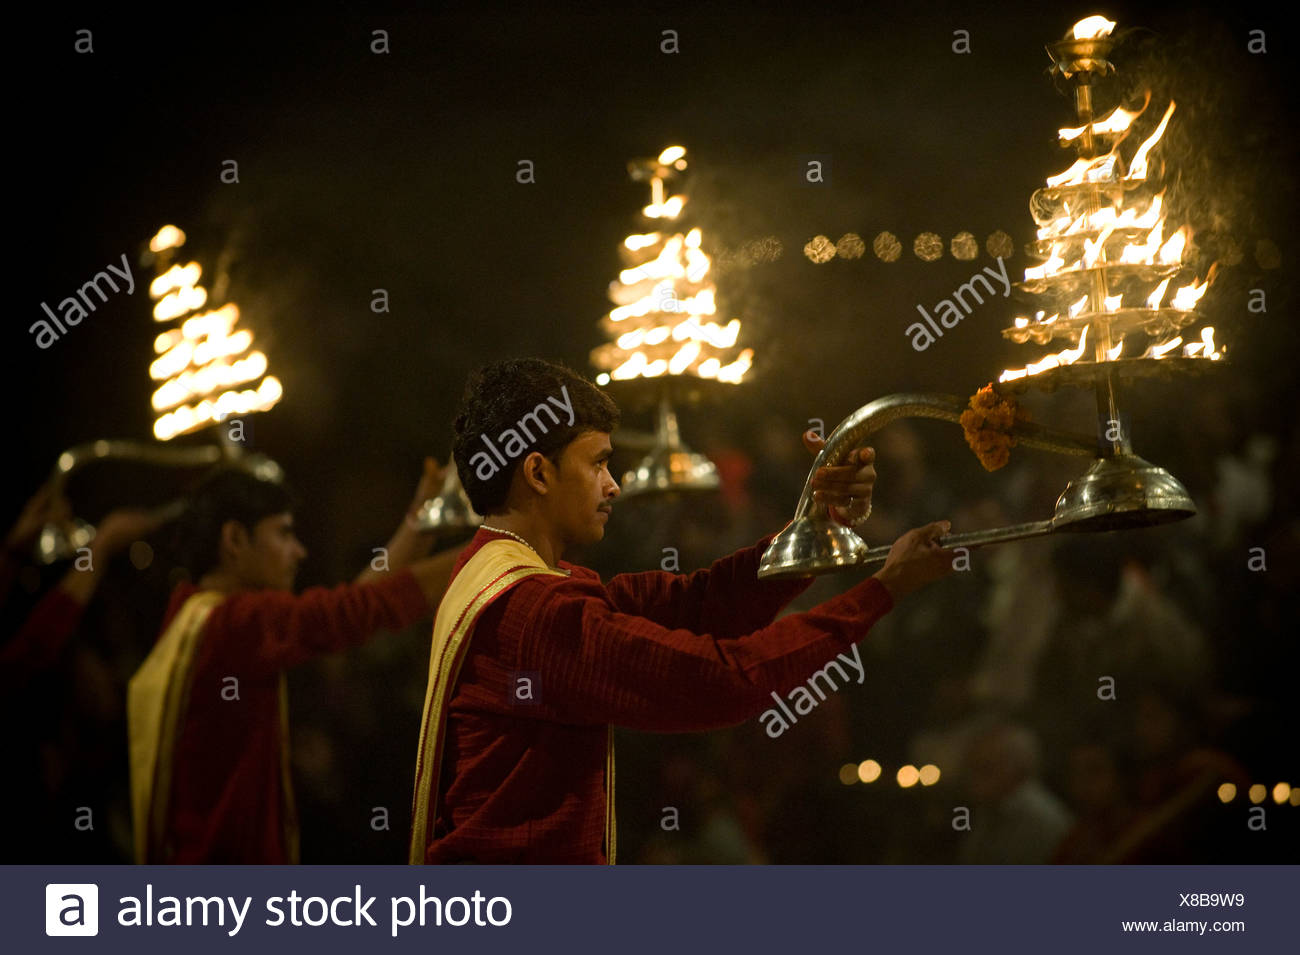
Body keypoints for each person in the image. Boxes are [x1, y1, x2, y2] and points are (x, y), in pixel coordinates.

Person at [409, 358, 955, 864]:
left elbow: (695, 603)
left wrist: (818, 524)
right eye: (599, 463)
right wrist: (882, 592)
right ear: (537, 472)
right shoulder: (532, 609)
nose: (613, 486)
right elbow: (723, 679)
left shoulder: (501, 574)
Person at [128, 457, 464, 863]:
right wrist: (497, 546)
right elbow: (354, 611)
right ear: (234, 539)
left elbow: (348, 608)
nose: (299, 551)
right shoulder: (230, 623)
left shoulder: (195, 615)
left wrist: (419, 521)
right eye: (284, 533)